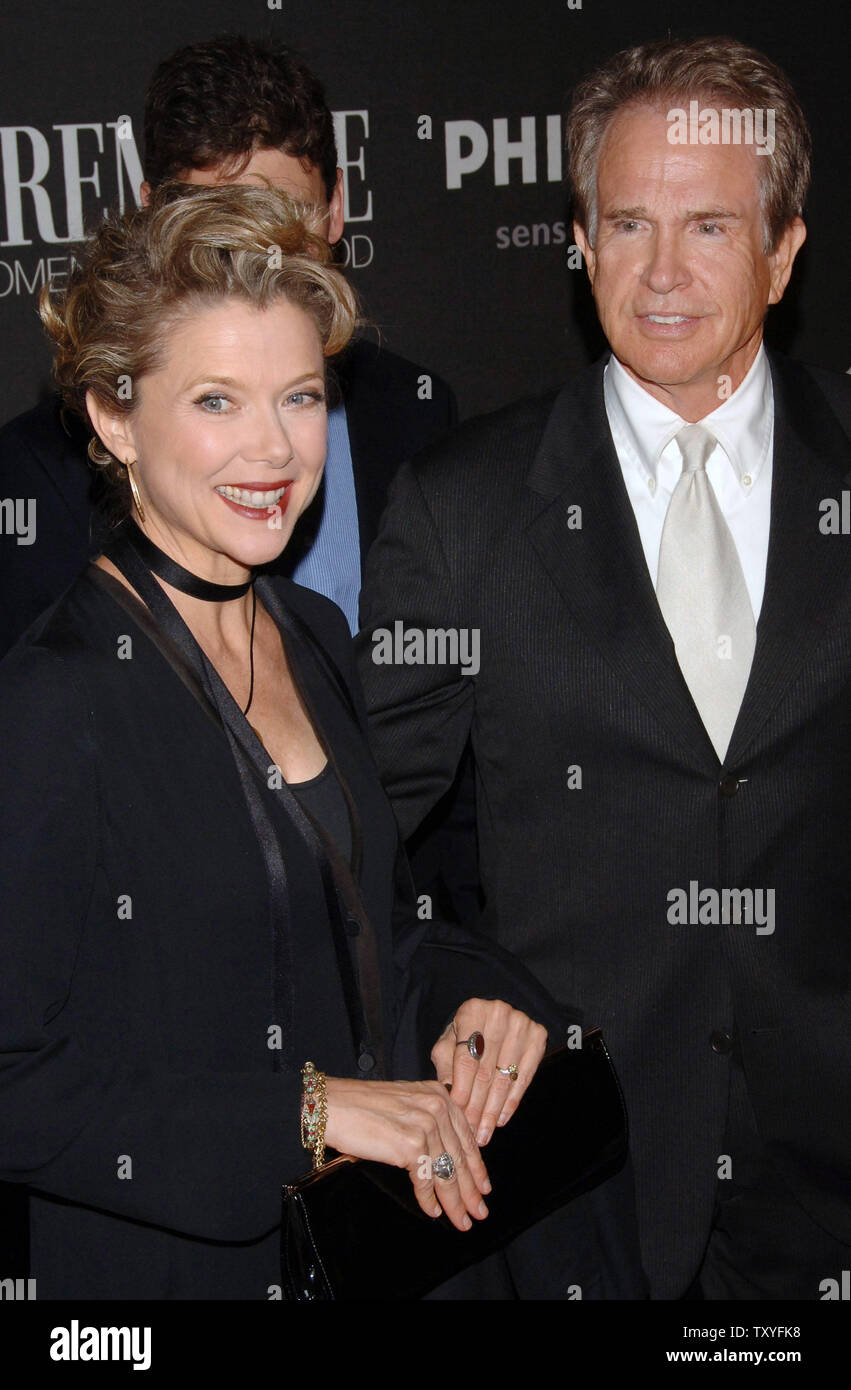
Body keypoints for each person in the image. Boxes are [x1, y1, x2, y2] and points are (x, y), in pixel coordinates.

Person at [0, 182, 584, 1300]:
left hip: (368, 1253)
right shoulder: (54, 702)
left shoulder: (309, 632)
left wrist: (467, 1004)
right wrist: (311, 1110)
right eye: (216, 400)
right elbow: (16, 1077)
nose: (272, 450)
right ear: (115, 417)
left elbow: (368, 926)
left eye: (301, 398)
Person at [356, 34, 851, 1299]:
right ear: (576, 238)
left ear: (784, 248)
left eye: (709, 227)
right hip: (577, 1179)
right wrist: (441, 1003)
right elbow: (356, 844)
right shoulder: (462, 507)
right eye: (625, 223)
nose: (663, 273)